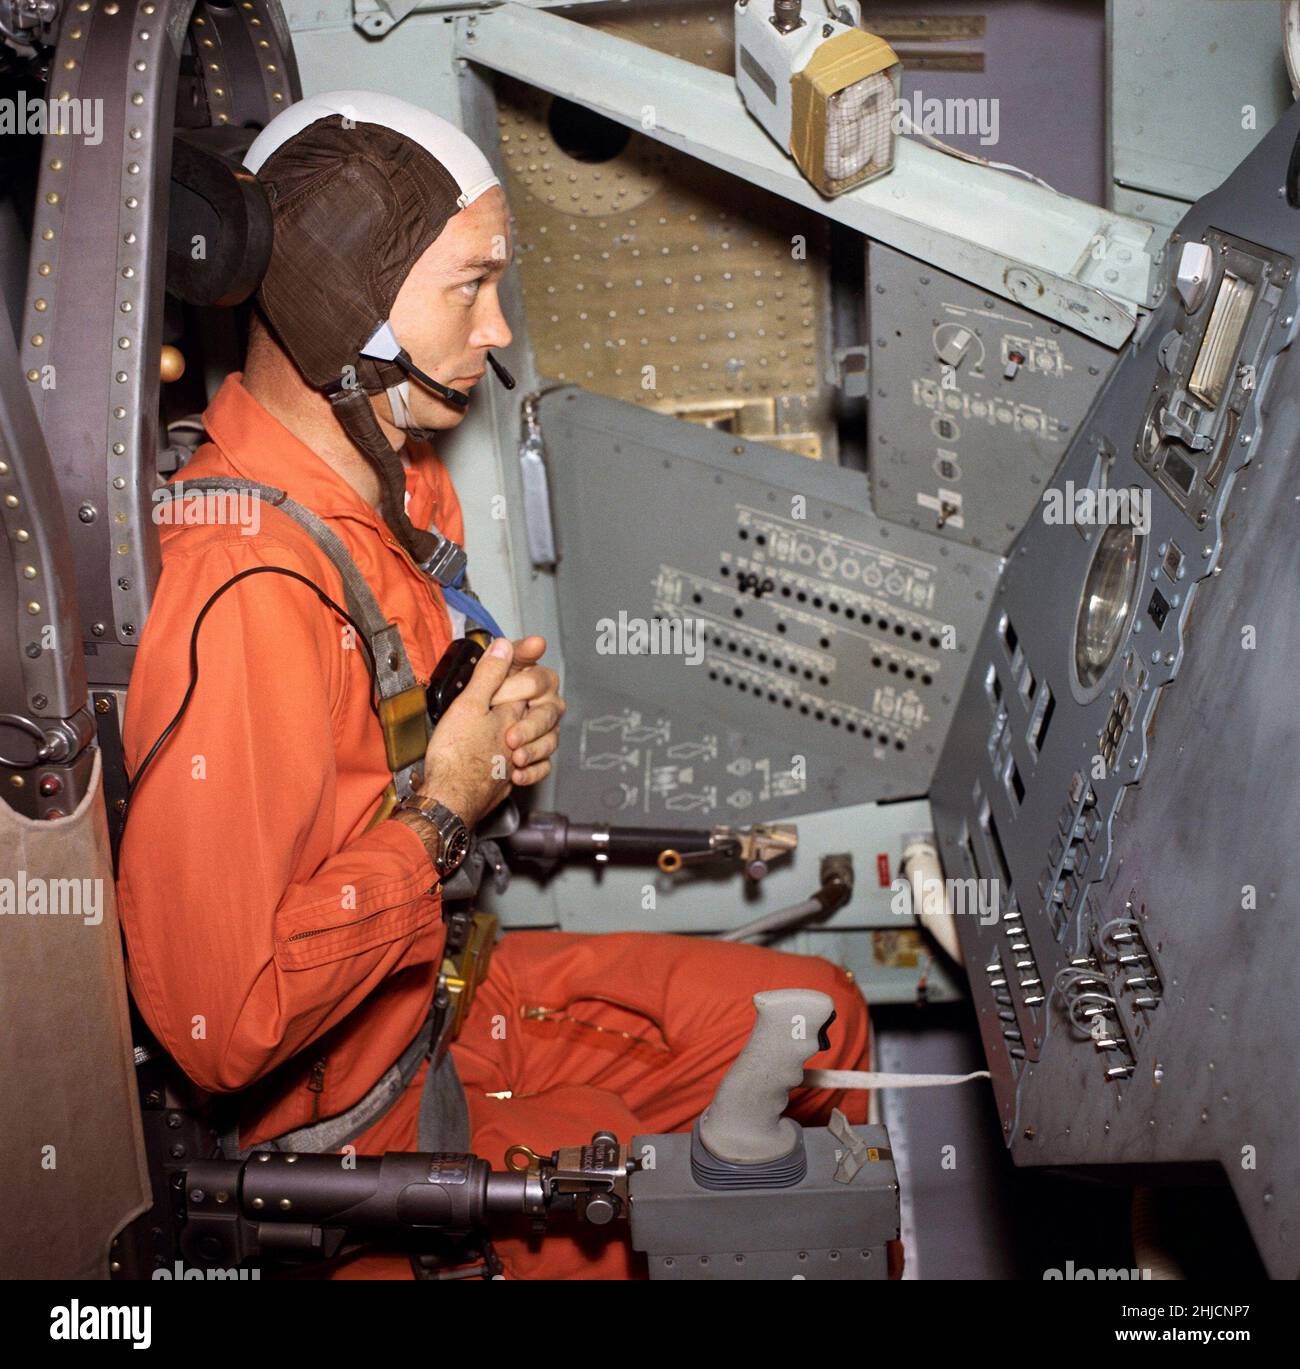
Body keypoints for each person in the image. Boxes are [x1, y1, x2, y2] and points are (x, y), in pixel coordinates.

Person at [116, 90, 871, 1280]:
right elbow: (224, 1026)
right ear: (338, 296)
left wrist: (498, 749)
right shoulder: (246, 590)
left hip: (444, 995)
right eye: (470, 285)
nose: (500, 328)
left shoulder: (400, 492)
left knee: (815, 1018)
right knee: (764, 1234)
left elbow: (423, 742)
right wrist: (443, 809)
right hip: (351, 1140)